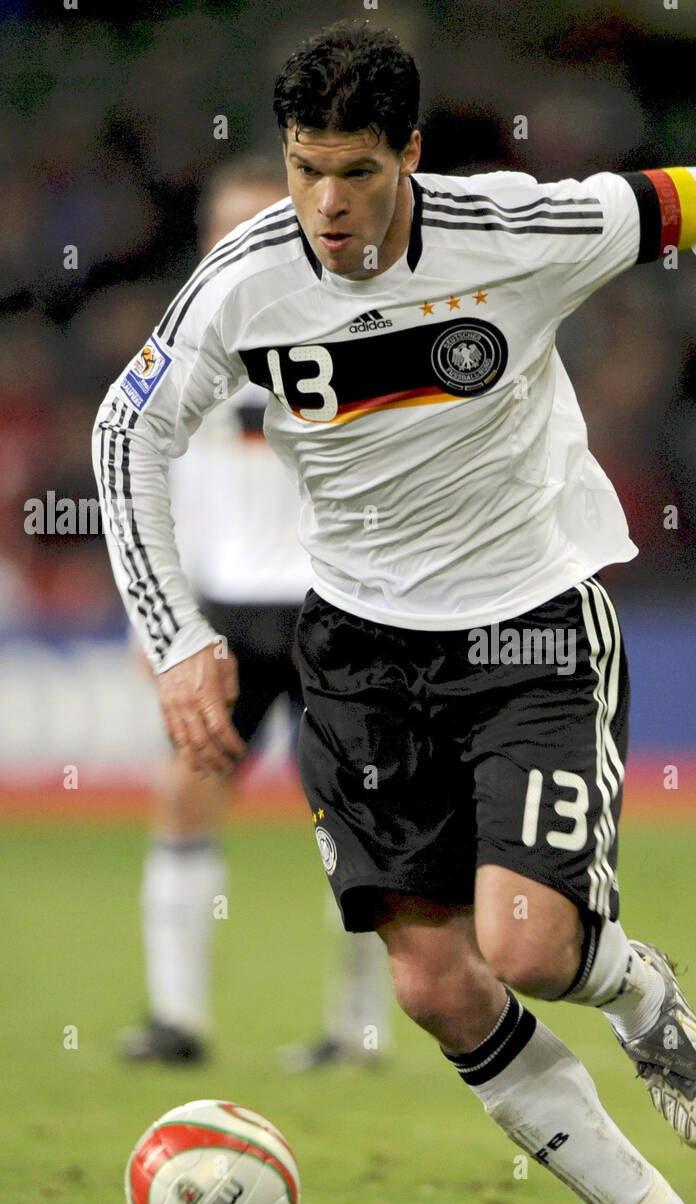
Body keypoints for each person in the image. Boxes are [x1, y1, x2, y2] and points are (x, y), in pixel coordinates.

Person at [92, 20, 696, 1204]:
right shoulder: (245, 281)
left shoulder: (513, 233)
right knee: (433, 983)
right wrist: (177, 642)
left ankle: (632, 985)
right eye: (301, 170)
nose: (325, 206)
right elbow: (129, 433)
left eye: (353, 171)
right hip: (358, 650)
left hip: (528, 631)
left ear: (408, 154)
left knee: (528, 945)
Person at [121, 157, 390, 1069]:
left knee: (357, 823)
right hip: (224, 614)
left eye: (259, 224)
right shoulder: (180, 346)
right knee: (185, 801)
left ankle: (355, 1033)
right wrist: (157, 624)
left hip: (335, 607)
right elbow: (153, 485)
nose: (239, 243)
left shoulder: (348, 327)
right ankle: (177, 1022)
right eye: (223, 226)